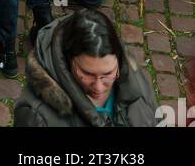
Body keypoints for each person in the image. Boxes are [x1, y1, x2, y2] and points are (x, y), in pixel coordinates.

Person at [15, 8, 159, 128]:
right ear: (69, 60)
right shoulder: (36, 116)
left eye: (107, 73)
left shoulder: (132, 74)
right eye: (87, 73)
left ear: (119, 59)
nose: (99, 87)